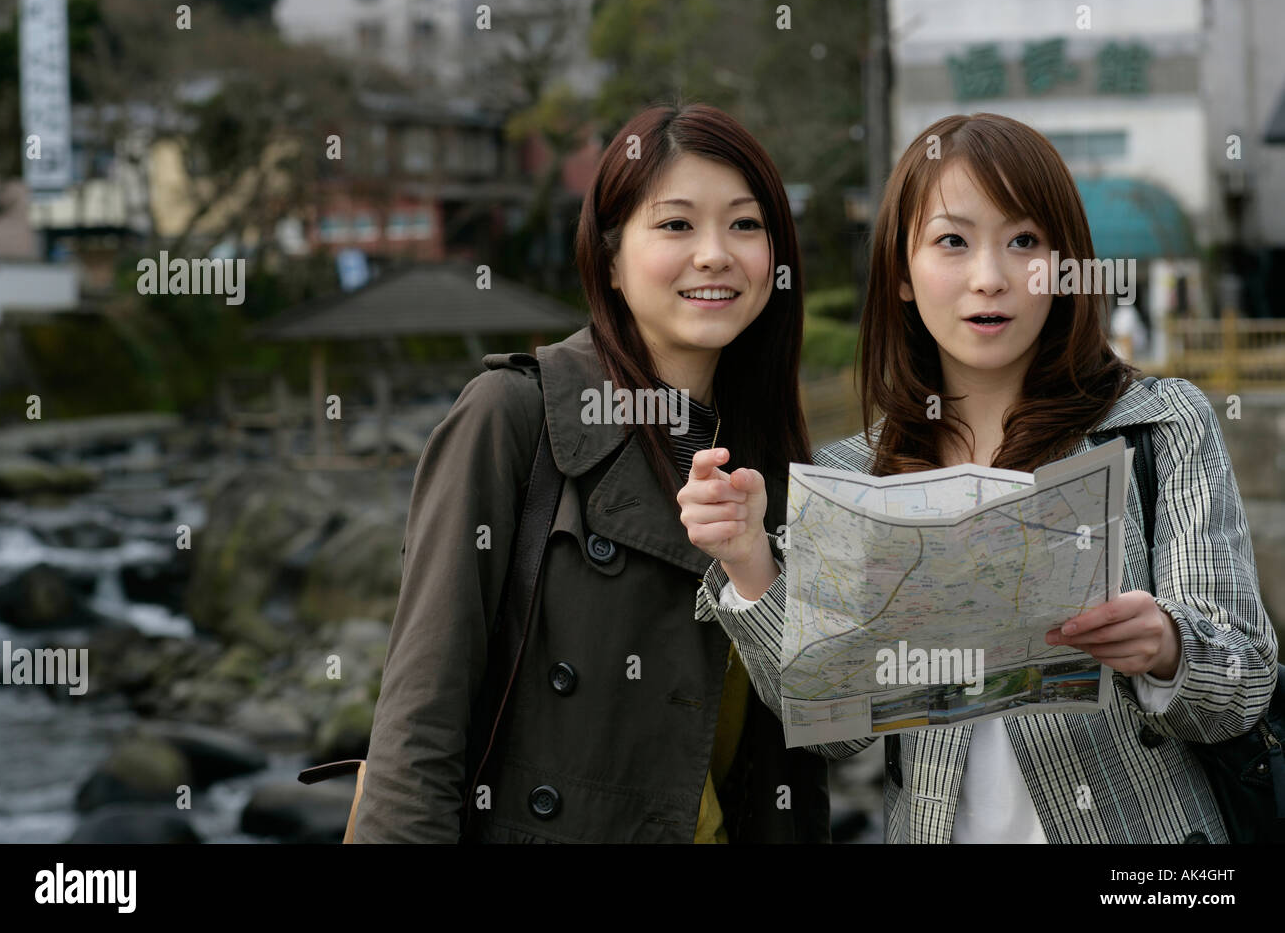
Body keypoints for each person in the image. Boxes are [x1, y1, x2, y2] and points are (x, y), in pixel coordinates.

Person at [677, 112, 1276, 843]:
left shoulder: (1159, 426)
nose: (990, 277)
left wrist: (1167, 648)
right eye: (952, 241)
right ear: (901, 272)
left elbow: (1244, 686)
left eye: (1024, 240)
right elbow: (837, 733)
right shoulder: (856, 476)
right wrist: (750, 567)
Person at [352, 102, 829, 843]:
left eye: (745, 224)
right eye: (675, 225)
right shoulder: (513, 418)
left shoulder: (780, 463)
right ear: (608, 256)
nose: (715, 254)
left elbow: (825, 730)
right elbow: (418, 729)